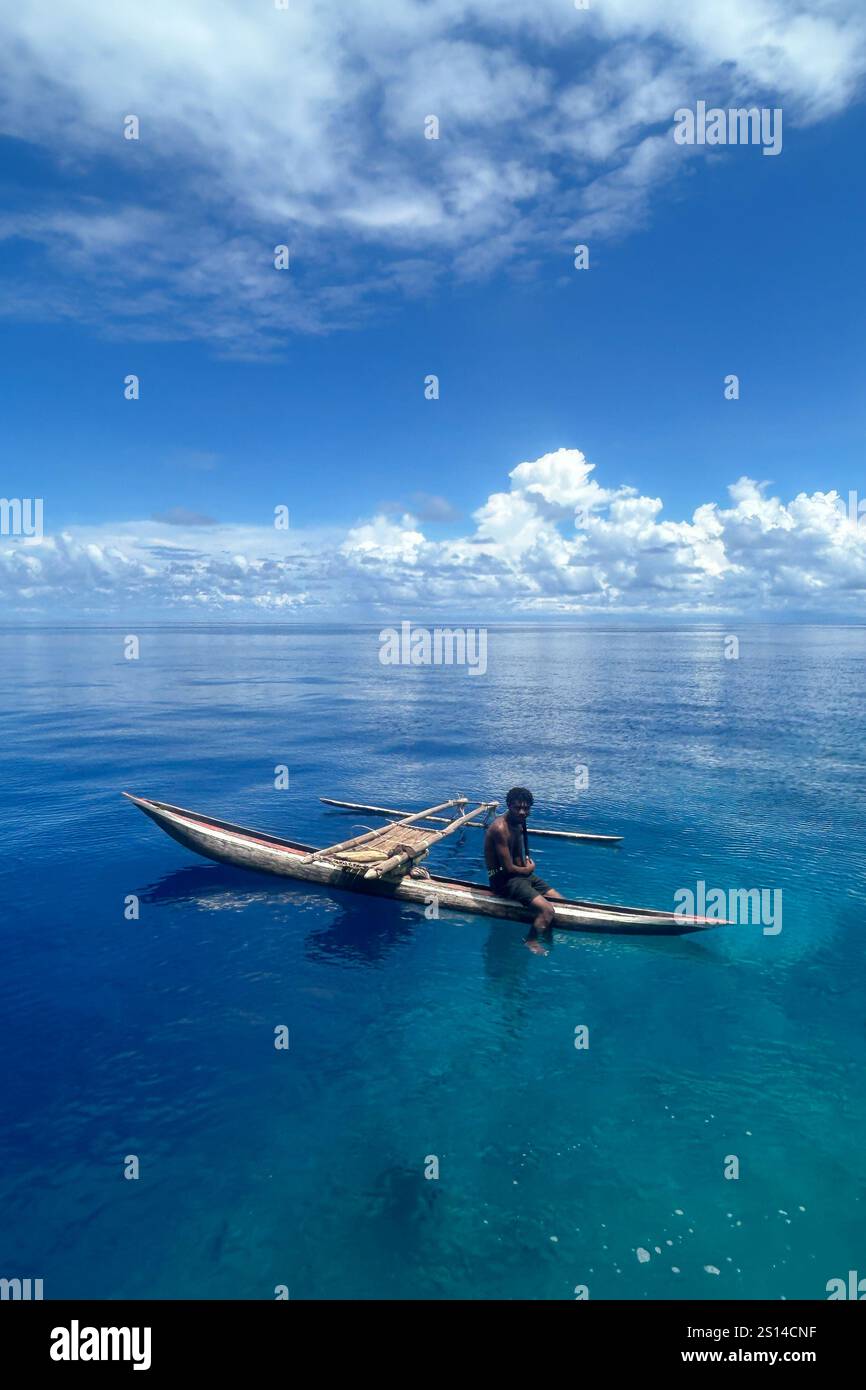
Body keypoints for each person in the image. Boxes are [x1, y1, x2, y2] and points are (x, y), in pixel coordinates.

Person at [484, 787, 564, 953]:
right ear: (508, 805)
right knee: (547, 909)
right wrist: (530, 868)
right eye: (517, 808)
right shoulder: (500, 828)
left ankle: (546, 927)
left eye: (526, 808)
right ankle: (531, 940)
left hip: (521, 875)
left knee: (560, 900)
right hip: (503, 880)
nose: (522, 812)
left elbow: (518, 859)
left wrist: (527, 870)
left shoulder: (519, 823)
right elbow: (508, 868)